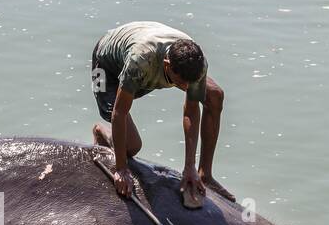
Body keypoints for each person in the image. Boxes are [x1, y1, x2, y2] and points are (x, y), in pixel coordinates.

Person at [91, 21, 234, 208]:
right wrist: (121, 169)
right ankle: (102, 132)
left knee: (214, 95)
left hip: (143, 56)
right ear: (167, 65)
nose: (187, 88)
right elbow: (119, 112)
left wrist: (189, 167)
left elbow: (191, 110)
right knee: (132, 147)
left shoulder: (197, 64)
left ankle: (204, 174)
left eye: (191, 83)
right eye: (182, 83)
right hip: (105, 66)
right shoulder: (139, 61)